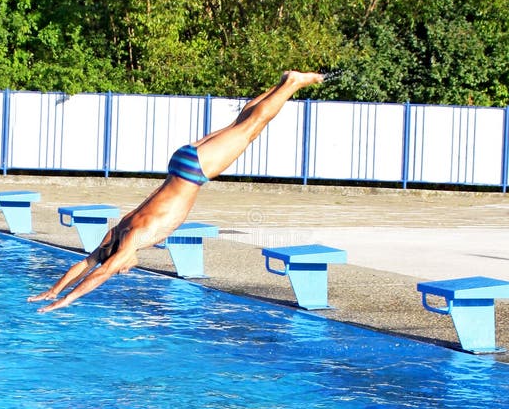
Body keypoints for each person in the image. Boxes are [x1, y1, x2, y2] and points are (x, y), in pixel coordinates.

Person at [28, 69, 324, 312]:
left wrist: (64, 300)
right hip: (180, 163)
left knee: (250, 127)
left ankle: (293, 83)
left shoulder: (130, 240)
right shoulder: (116, 232)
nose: (125, 269)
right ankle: (284, 82)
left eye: (122, 267)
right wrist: (51, 290)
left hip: (194, 171)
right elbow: (85, 264)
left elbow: (99, 273)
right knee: (243, 124)